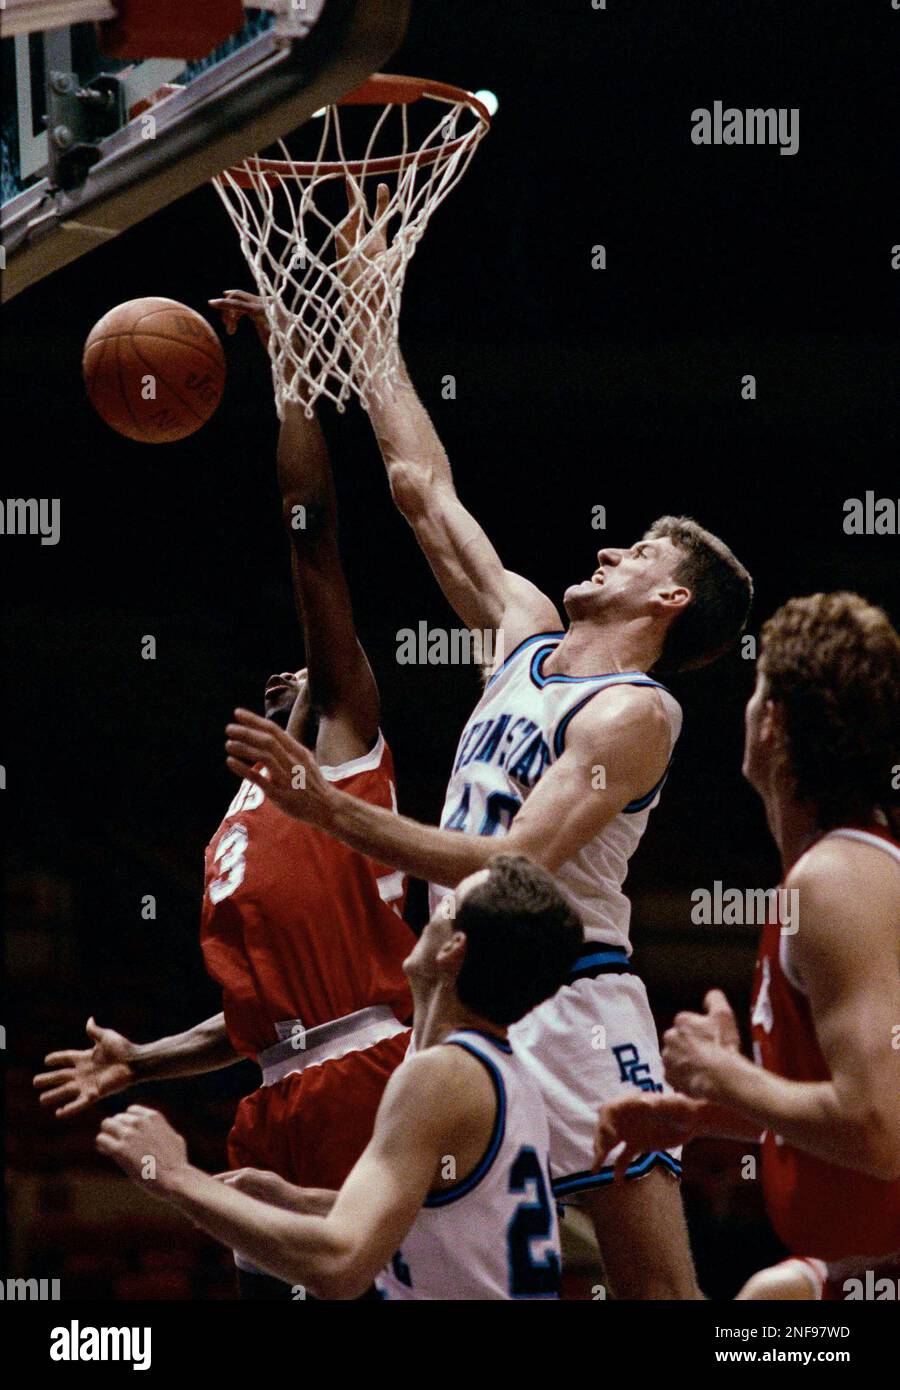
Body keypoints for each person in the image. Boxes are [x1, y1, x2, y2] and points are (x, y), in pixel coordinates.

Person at [221, 180, 754, 1303]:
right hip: (460, 986)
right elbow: (421, 488)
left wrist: (331, 808)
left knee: (659, 1292)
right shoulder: (521, 632)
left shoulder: (636, 717)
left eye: (642, 551)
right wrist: (364, 316)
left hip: (570, 994)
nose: (612, 548)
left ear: (669, 602)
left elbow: (517, 866)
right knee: (426, 1269)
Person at [35, 291, 416, 1299]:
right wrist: (145, 1061)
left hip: (366, 1076)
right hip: (275, 1093)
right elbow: (257, 1017)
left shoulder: (340, 744)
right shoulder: (234, 826)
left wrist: (289, 369)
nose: (296, 673)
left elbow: (313, 538)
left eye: (312, 668)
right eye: (278, 679)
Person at [97, 856, 583, 1301]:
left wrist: (176, 1177)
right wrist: (298, 1201)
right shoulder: (507, 1073)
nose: (427, 916)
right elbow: (438, 1221)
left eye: (446, 907)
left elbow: (340, 1264)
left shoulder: (440, 1076)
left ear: (453, 950)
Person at [596, 591, 900, 1298]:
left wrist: (722, 1074)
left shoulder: (836, 883)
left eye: (756, 686)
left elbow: (878, 1129)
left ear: (775, 723)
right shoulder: (840, 871)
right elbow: (857, 1107)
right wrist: (702, 1117)